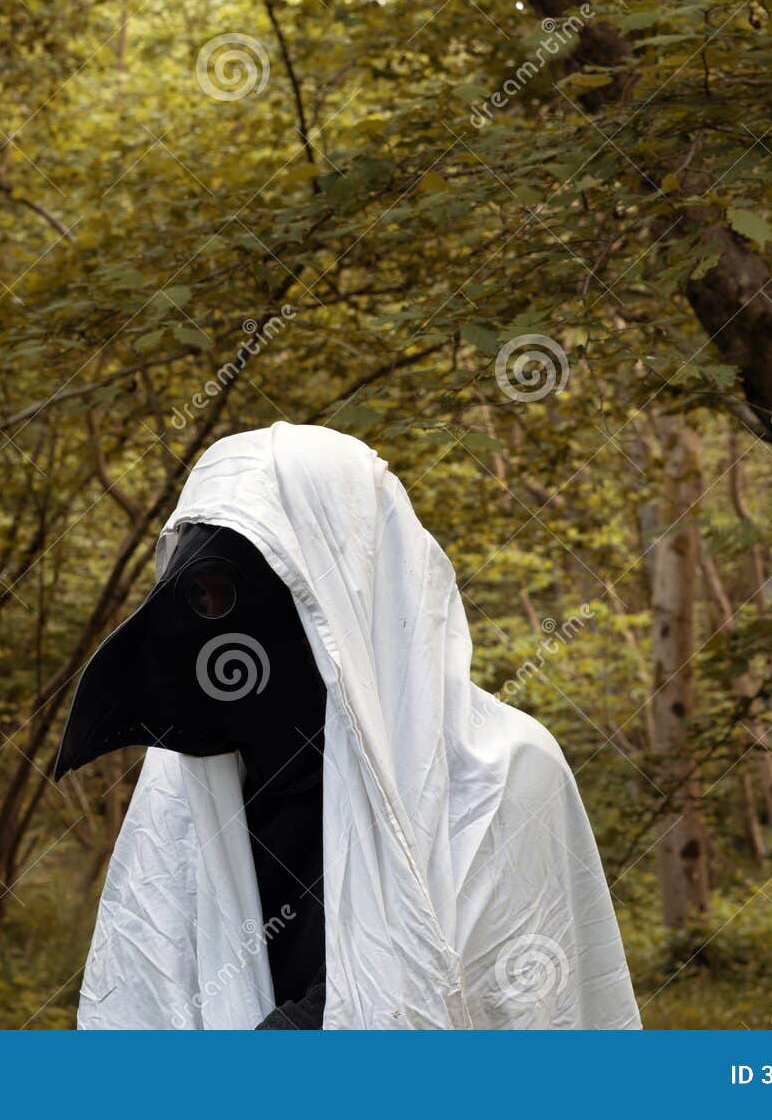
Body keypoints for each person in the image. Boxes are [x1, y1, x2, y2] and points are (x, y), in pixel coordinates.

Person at [55, 423, 639, 1029]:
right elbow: (146, 988)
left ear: (351, 584)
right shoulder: (186, 774)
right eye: (200, 596)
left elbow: (484, 1008)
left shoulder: (500, 771)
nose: (219, 628)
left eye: (261, 586)